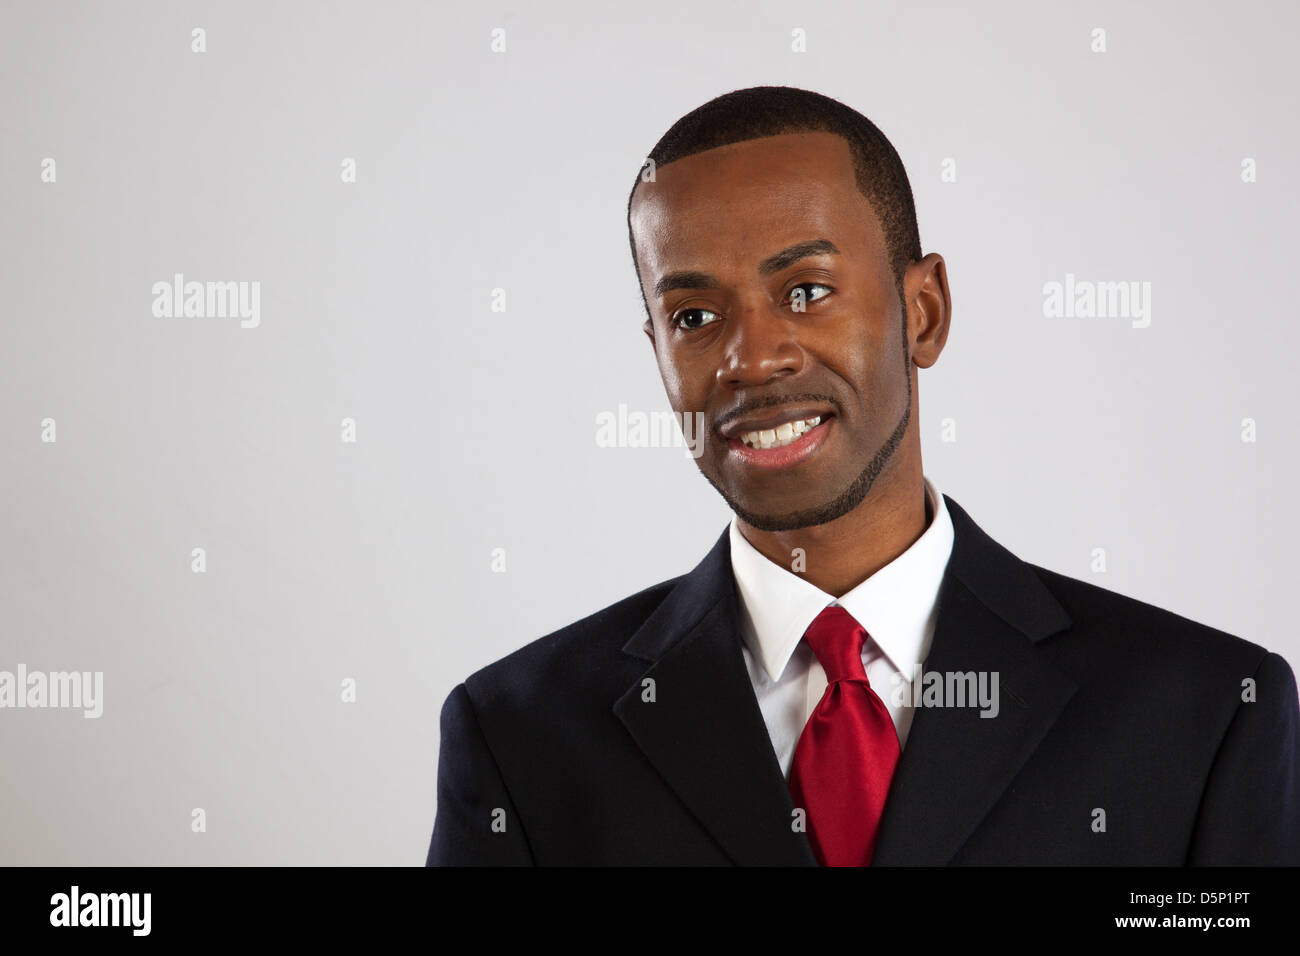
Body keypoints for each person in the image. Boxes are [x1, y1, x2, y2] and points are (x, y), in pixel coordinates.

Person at [426, 85, 1300, 866]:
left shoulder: (1205, 714)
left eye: (805, 291)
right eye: (694, 315)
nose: (752, 358)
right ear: (656, 352)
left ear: (923, 313)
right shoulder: (520, 739)